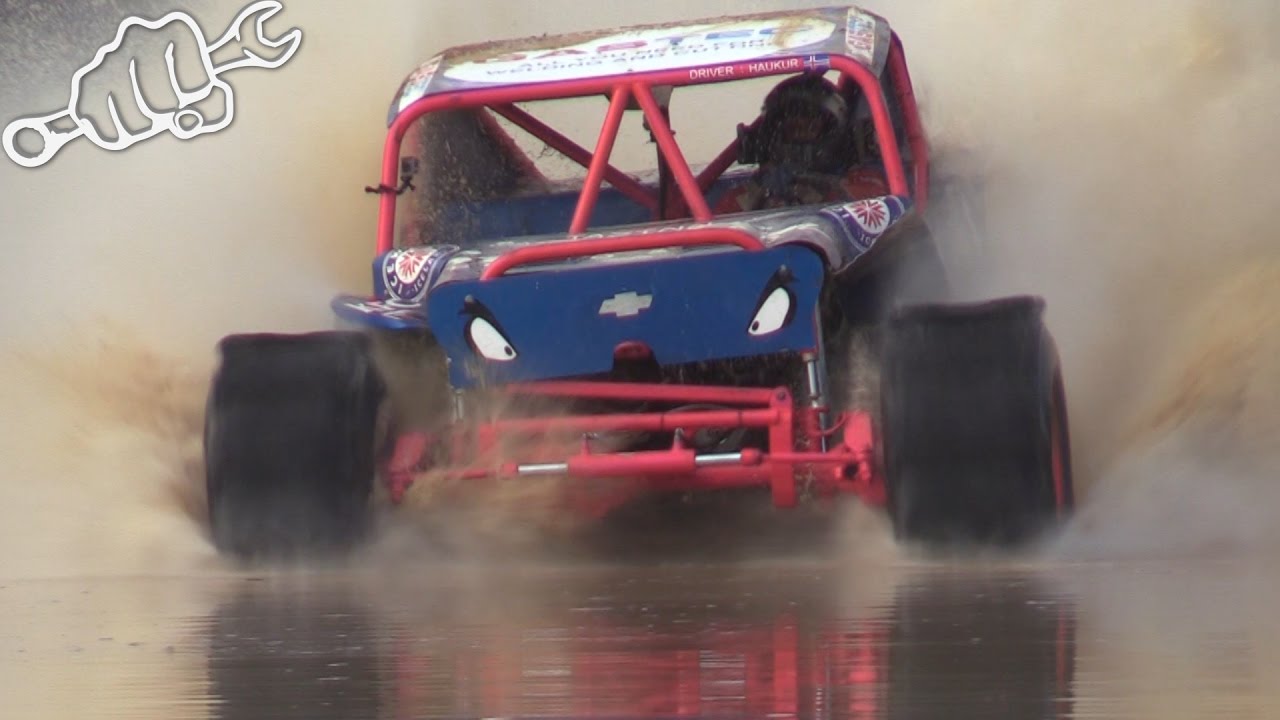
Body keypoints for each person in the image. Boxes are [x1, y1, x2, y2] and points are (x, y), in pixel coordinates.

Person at [715, 72, 888, 214]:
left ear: (835, 130)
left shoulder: (865, 183)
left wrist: (826, 188)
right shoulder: (747, 195)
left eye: (810, 126)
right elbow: (715, 238)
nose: (800, 134)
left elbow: (878, 217)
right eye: (792, 129)